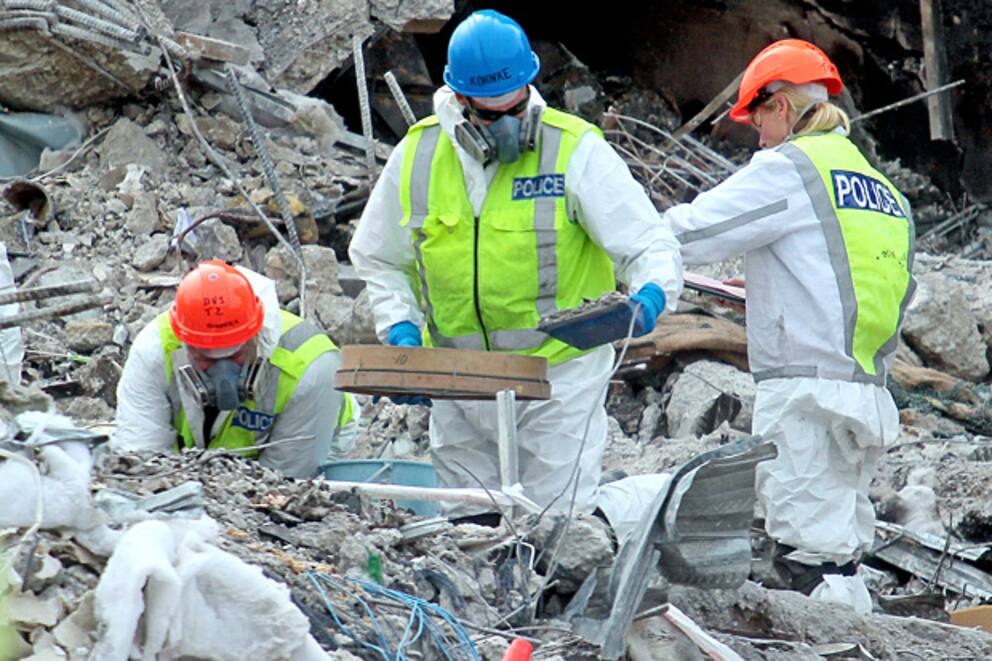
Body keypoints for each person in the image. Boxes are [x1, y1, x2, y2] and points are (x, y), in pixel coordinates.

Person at [349, 9, 683, 520]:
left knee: (556, 525)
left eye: (517, 107)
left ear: (529, 87)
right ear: (460, 102)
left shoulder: (573, 151)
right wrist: (399, 329)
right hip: (462, 382)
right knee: (468, 528)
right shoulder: (418, 156)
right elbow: (378, 258)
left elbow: (647, 243)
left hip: (557, 378)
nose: (509, 127)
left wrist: (652, 293)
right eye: (491, 115)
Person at [661, 39, 916, 613]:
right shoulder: (882, 190)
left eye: (757, 118)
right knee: (841, 550)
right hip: (862, 389)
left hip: (804, 391)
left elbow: (695, 233)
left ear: (779, 105)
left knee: (809, 560)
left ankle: (840, 645)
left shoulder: (791, 169)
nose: (756, 135)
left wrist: (624, 238)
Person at [112, 260, 358, 479]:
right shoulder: (155, 350)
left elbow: (285, 486)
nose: (222, 370)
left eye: (235, 354)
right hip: (197, 453)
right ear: (184, 342)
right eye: (204, 356)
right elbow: (145, 462)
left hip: (315, 433)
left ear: (256, 335)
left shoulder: (312, 369)